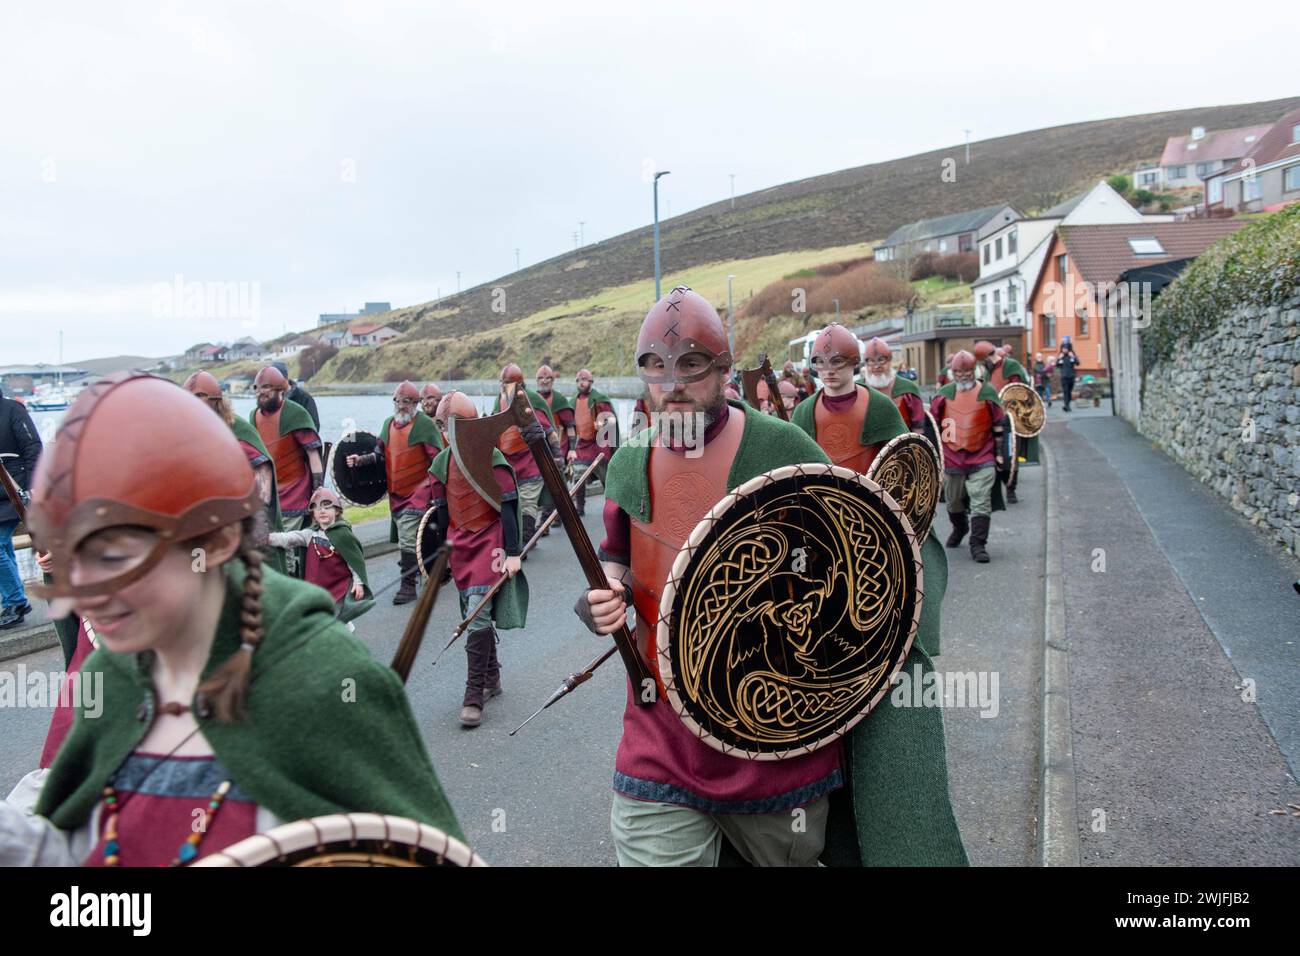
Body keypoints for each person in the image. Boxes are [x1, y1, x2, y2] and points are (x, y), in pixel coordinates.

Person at [0, 371, 463, 865]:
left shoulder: (321, 677)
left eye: (117, 557)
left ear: (214, 543)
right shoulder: (112, 676)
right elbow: (80, 843)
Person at [579, 288, 965, 867]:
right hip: (659, 733)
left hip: (776, 736)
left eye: (690, 364)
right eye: (655, 367)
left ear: (723, 371)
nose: (672, 384)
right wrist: (598, 603)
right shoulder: (630, 460)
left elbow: (853, 571)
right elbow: (614, 563)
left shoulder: (782, 446)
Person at [428, 391, 527, 727]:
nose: (448, 433)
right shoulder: (441, 464)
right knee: (472, 608)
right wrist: (440, 557)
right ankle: (493, 677)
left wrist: (513, 553)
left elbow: (509, 507)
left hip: (490, 542)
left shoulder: (492, 457)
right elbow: (442, 514)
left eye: (454, 425)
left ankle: (473, 697)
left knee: (476, 614)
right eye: (444, 426)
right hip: (460, 546)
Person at [346, 381, 442, 605]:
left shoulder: (424, 425)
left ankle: (407, 586)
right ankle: (425, 567)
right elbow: (379, 454)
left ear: (415, 403)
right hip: (397, 493)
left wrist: (436, 493)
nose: (401, 405)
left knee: (409, 537)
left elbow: (438, 460)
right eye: (397, 401)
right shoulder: (388, 424)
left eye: (406, 401)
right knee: (408, 536)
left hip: (419, 492)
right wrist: (359, 461)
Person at [183, 371, 287, 575]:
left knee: (259, 582)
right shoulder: (192, 431)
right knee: (201, 576)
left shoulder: (237, 429)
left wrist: (259, 516)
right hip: (207, 521)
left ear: (216, 402)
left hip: (244, 516)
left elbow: (261, 470)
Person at [930, 351, 1009, 563]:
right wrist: (935, 458)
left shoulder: (986, 392)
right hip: (952, 457)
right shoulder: (944, 394)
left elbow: (999, 425)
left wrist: (1001, 456)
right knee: (953, 501)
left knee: (980, 501)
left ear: (973, 370)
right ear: (952, 372)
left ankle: (978, 544)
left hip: (982, 456)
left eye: (966, 371)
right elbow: (934, 428)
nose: (963, 375)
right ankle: (960, 527)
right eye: (958, 371)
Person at [790, 325, 902, 474]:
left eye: (836, 361)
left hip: (872, 495)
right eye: (821, 362)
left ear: (853, 362)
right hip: (819, 494)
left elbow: (903, 461)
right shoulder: (803, 412)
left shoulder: (879, 405)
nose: (829, 370)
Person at [268, 487, 372, 626]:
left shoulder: (343, 534)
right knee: (323, 618)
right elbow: (288, 538)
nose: (322, 511)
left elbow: (354, 561)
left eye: (327, 507)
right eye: (317, 508)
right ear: (313, 515)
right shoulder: (310, 534)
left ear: (337, 511)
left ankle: (346, 639)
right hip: (317, 586)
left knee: (336, 617)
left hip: (337, 585)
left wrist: (359, 582)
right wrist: (267, 538)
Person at [249, 365, 324, 536]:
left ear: (279, 389)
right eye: (257, 388)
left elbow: (313, 452)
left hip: (295, 492)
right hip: (269, 493)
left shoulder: (294, 413)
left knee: (287, 548)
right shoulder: (254, 416)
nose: (261, 392)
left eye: (266, 387)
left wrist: (318, 490)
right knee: (270, 548)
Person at [0, 384, 41, 630]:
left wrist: (33, 483)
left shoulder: (13, 409)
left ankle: (15, 601)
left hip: (15, 491)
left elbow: (32, 446)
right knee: (3, 546)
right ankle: (12, 601)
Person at [973, 341, 1034, 504]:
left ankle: (1011, 489)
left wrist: (1008, 407)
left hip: (1010, 421)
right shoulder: (988, 371)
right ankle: (995, 492)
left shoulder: (1011, 366)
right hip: (992, 419)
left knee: (1010, 456)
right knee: (991, 456)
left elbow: (1019, 390)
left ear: (986, 358)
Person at [534, 365, 576, 535]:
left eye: (548, 378)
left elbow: (570, 427)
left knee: (554, 485)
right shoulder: (533, 400)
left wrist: (571, 450)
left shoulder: (559, 400)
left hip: (558, 449)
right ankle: (560, 516)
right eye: (541, 378)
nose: (545, 381)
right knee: (553, 487)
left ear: (553, 380)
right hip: (538, 451)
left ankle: (544, 524)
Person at [571, 369, 616, 517]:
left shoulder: (600, 400)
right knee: (578, 477)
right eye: (579, 380)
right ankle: (580, 507)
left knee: (606, 478)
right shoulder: (572, 402)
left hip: (599, 444)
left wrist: (602, 424)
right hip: (582, 445)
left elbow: (611, 421)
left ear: (591, 382)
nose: (581, 382)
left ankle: (613, 507)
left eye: (584, 380)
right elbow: (569, 425)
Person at [860, 336, 927, 434]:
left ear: (890, 361)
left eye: (881, 360)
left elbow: (918, 428)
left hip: (902, 445)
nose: (876, 366)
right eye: (871, 361)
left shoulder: (908, 389)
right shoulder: (857, 389)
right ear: (865, 364)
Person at [271, 360, 320, 432]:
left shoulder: (305, 399)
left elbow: (314, 426)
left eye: (277, 379)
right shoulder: (269, 400)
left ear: (285, 377)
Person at [1056, 338, 1080, 412]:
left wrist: (1073, 357)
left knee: (1069, 391)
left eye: (1066, 348)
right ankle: (1066, 406)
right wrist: (1059, 359)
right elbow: (1057, 365)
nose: (1065, 350)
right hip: (1064, 376)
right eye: (1063, 348)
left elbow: (1078, 363)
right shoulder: (1061, 356)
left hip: (1071, 376)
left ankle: (1068, 403)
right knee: (1065, 391)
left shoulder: (1071, 355)